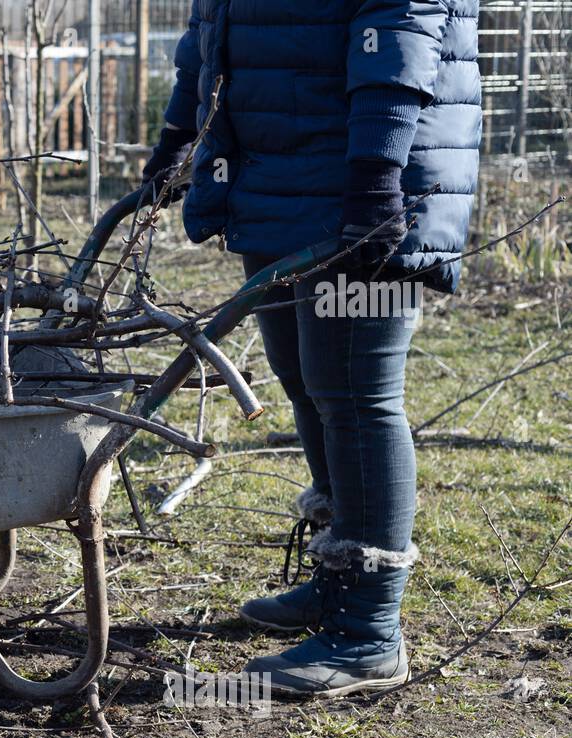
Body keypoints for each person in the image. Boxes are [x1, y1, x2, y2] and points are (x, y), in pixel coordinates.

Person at [139, 1, 480, 696]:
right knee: (304, 378)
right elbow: (213, 33)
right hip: (279, 187)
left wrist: (377, 179)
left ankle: (368, 631)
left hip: (364, 189)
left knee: (355, 395)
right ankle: (337, 580)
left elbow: (400, 40)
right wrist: (180, 134)